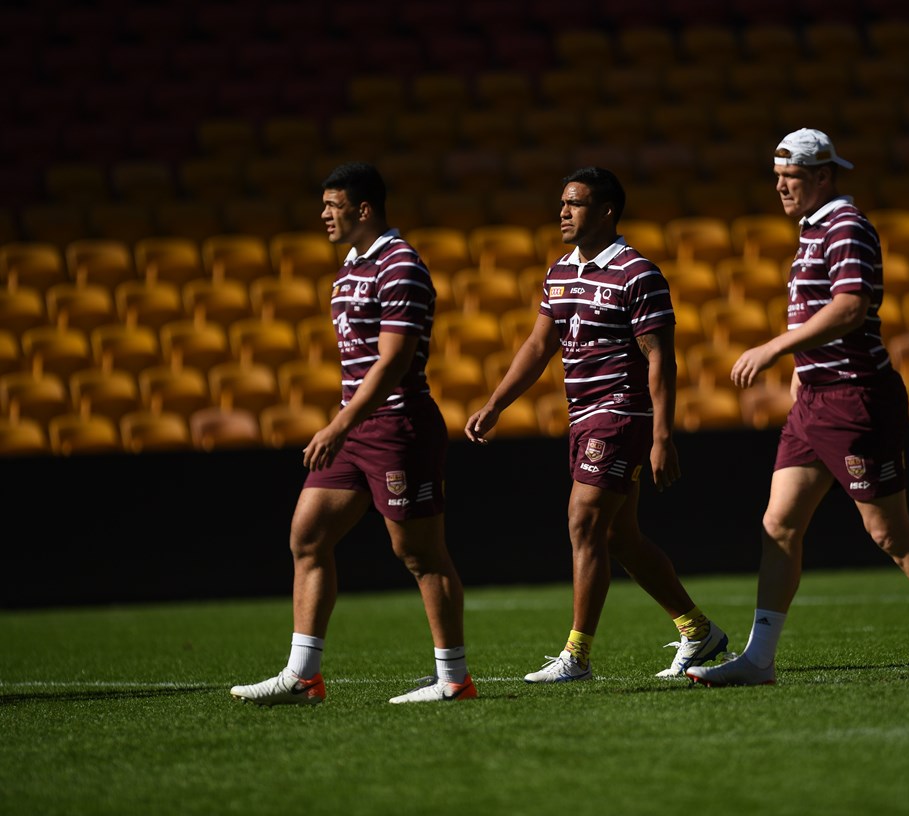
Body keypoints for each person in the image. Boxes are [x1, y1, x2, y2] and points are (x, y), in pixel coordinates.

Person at [686, 130, 909, 687]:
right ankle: (759, 659)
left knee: (889, 534)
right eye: (777, 176)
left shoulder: (847, 227)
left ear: (823, 176)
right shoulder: (814, 232)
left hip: (855, 399)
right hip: (814, 402)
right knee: (778, 524)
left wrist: (777, 346)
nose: (780, 186)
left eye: (792, 177)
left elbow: (851, 307)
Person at [464, 166, 728, 683]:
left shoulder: (639, 274)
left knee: (583, 520)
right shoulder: (560, 271)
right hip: (581, 417)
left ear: (606, 212)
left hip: (622, 413)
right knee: (618, 538)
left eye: (575, 204)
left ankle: (576, 656)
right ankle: (698, 631)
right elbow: (539, 346)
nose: (563, 212)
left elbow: (661, 359)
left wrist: (662, 435)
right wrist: (496, 404)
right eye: (562, 203)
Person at [231, 162, 476, 705]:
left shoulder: (401, 264)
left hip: (397, 427)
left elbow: (392, 364)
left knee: (418, 553)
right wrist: (345, 422)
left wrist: (339, 424)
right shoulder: (348, 268)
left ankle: (454, 680)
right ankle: (303, 676)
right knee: (308, 535)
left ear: (363, 209)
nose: (322, 215)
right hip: (357, 426)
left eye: (332, 206)